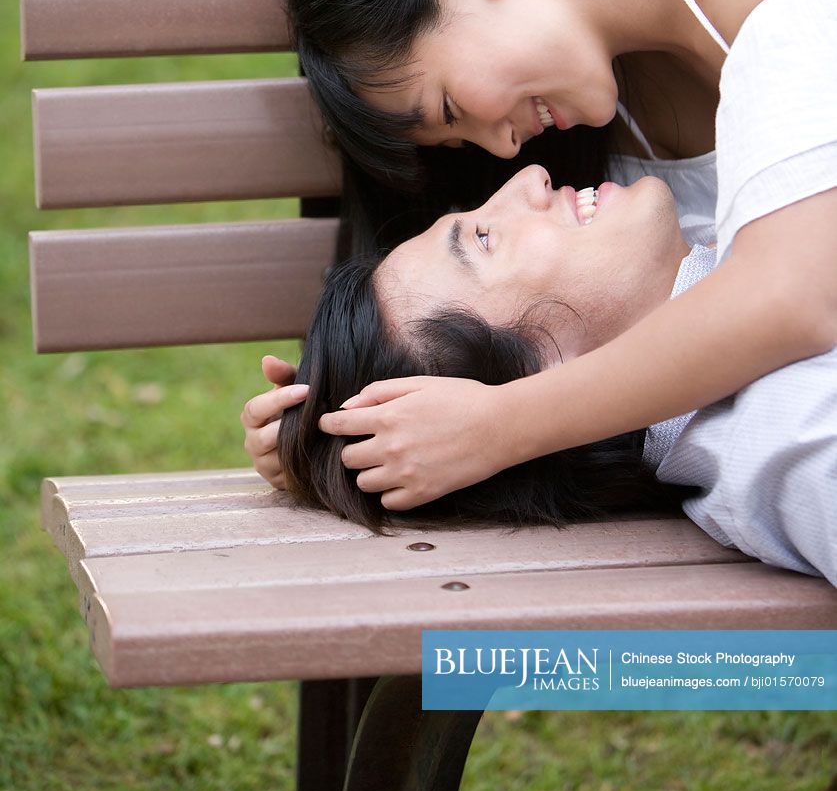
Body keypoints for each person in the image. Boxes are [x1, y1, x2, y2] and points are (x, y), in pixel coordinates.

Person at [243, 0, 836, 527]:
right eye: (456, 134)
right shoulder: (598, 129)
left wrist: (499, 425)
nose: (503, 154)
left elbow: (790, 298)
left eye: (445, 104)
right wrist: (345, 433)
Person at [251, 166, 836, 582]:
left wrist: (315, 436)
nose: (529, 177)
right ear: (540, 376)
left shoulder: (752, 237)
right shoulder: (789, 442)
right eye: (484, 237)